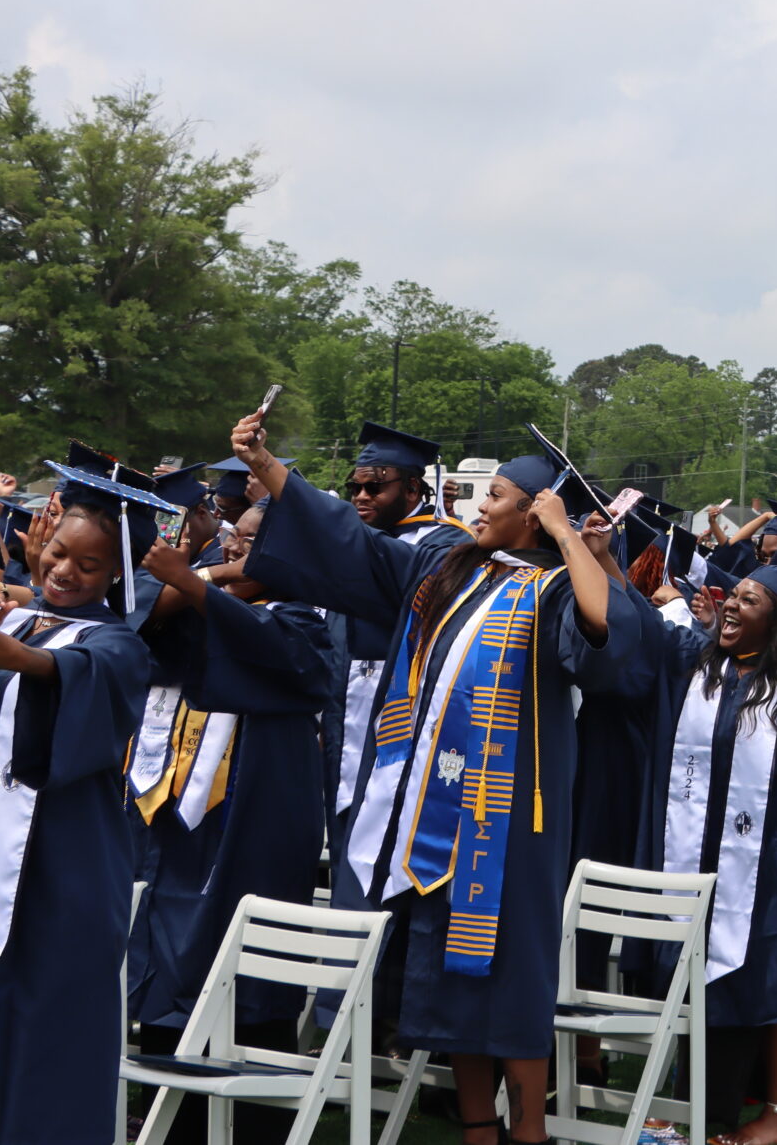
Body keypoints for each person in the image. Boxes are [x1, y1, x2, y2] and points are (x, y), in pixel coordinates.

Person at [234, 411, 637, 1145]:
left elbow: (612, 633)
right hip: (440, 815)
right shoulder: (451, 569)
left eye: (499, 498)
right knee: (456, 971)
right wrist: (266, 467)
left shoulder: (552, 594)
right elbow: (348, 540)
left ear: (536, 515)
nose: (479, 506)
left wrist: (574, 536)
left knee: (510, 975)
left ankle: (530, 1130)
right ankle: (477, 1127)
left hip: (514, 828)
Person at [624, 532, 777, 1142]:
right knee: (700, 968)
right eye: (732, 595)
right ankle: (696, 1109)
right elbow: (636, 621)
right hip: (698, 853)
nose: (731, 605)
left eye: (751, 600)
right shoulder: (698, 665)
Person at [0, 458, 162, 1145]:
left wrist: (18, 661)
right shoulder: (16, 621)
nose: (67, 571)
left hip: (59, 869)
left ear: (115, 576)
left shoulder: (117, 643)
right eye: (59, 552)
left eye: (91, 565)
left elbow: (83, 674)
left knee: (44, 1018)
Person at [124, 495, 338, 1136]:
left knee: (241, 954)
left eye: (250, 542)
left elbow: (280, 656)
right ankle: (163, 1101)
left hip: (253, 818)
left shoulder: (305, 621)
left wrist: (197, 583)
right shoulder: (195, 608)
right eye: (233, 539)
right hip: (178, 822)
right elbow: (136, 625)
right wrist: (196, 582)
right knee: (165, 938)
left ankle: (249, 1119)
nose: (233, 550)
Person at [320, 423, 474, 918]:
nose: (361, 497)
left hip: (397, 721)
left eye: (374, 487)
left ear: (412, 489)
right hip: (343, 714)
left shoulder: (445, 544)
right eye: (355, 488)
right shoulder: (365, 537)